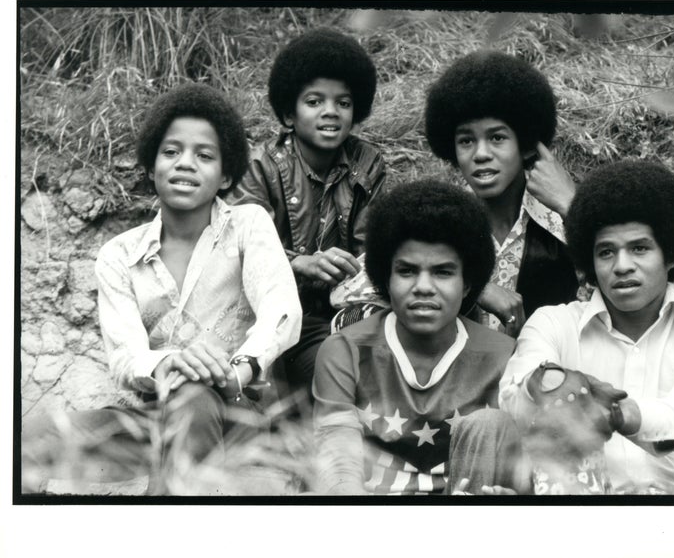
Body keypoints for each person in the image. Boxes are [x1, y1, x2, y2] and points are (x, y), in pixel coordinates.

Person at [22, 83, 302, 495]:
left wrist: (234, 374)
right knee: (28, 437)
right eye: (171, 152)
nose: (185, 163)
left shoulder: (248, 224)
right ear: (151, 165)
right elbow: (124, 355)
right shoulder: (119, 255)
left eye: (204, 155)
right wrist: (165, 366)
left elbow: (283, 310)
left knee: (194, 395)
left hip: (240, 416)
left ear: (226, 175)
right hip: (154, 418)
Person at [448, 160, 674, 495]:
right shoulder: (553, 324)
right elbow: (513, 398)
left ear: (672, 255)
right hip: (577, 513)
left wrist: (619, 414)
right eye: (606, 252)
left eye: (639, 248)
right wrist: (547, 386)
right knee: (562, 412)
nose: (621, 266)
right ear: (589, 261)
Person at [312, 180, 514, 495]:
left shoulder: (503, 356)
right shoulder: (344, 349)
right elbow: (337, 455)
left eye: (443, 272)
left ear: (467, 284)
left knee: (492, 423)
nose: (423, 286)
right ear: (384, 279)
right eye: (406, 271)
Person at [228, 27, 385, 400]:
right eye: (314, 102)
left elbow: (374, 246)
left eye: (343, 103)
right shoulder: (259, 166)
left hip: (350, 311)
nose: (331, 112)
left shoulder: (368, 161)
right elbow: (242, 249)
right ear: (289, 112)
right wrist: (301, 264)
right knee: (333, 374)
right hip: (281, 318)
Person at [424, 50, 580, 337]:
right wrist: (472, 288)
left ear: (528, 144)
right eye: (466, 140)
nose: (481, 154)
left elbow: (625, 291)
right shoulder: (440, 221)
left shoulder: (562, 220)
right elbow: (357, 287)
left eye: (497, 138)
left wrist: (571, 204)